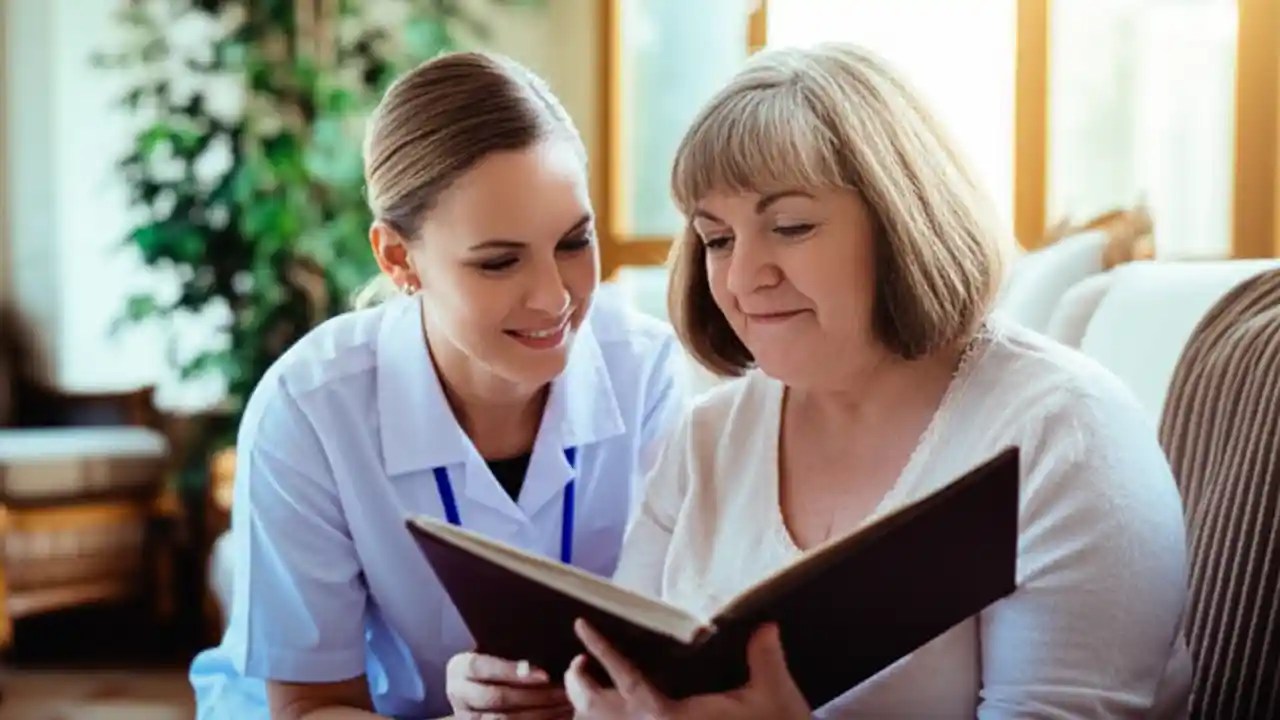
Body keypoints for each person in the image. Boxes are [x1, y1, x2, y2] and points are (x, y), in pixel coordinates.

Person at [558, 43, 1194, 718]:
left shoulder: (1063, 434)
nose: (743, 280)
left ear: (901, 223)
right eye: (718, 240)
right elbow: (624, 685)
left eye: (791, 227)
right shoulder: (709, 437)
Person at [187, 51, 689, 720]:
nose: (553, 297)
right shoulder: (309, 409)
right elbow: (311, 704)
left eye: (574, 242)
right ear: (398, 259)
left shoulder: (647, 371)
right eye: (499, 261)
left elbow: (670, 648)